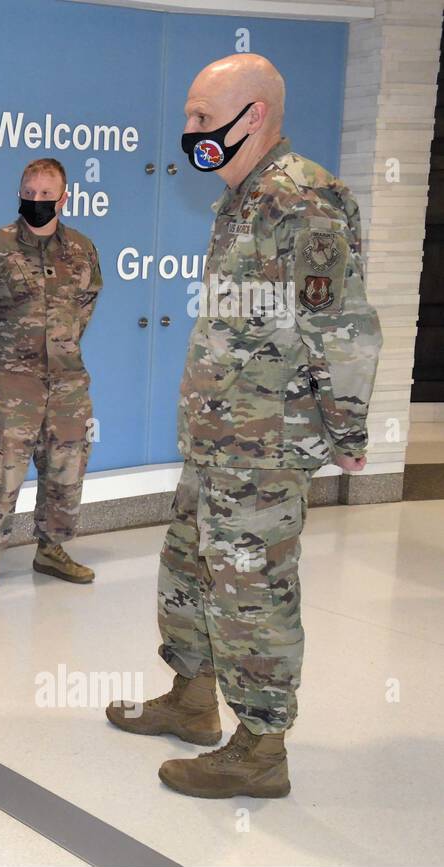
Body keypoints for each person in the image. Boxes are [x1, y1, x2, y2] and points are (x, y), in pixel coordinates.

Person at [106, 54, 383, 799]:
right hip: (218, 441)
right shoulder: (242, 196)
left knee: (251, 590)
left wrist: (348, 432)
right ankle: (193, 699)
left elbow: (344, 328)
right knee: (190, 568)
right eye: (190, 117)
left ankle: (261, 749)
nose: (189, 130)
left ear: (252, 116)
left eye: (202, 117)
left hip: (265, 445)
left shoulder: (303, 201)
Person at [0, 157, 103, 592]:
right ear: (19, 192)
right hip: (11, 382)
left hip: (68, 381)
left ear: (64, 197)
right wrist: (4, 354)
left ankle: (52, 549)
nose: (36, 200)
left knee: (67, 467)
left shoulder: (83, 250)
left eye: (45, 193)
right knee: (0, 470)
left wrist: (60, 349)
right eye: (29, 191)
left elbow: (86, 306)